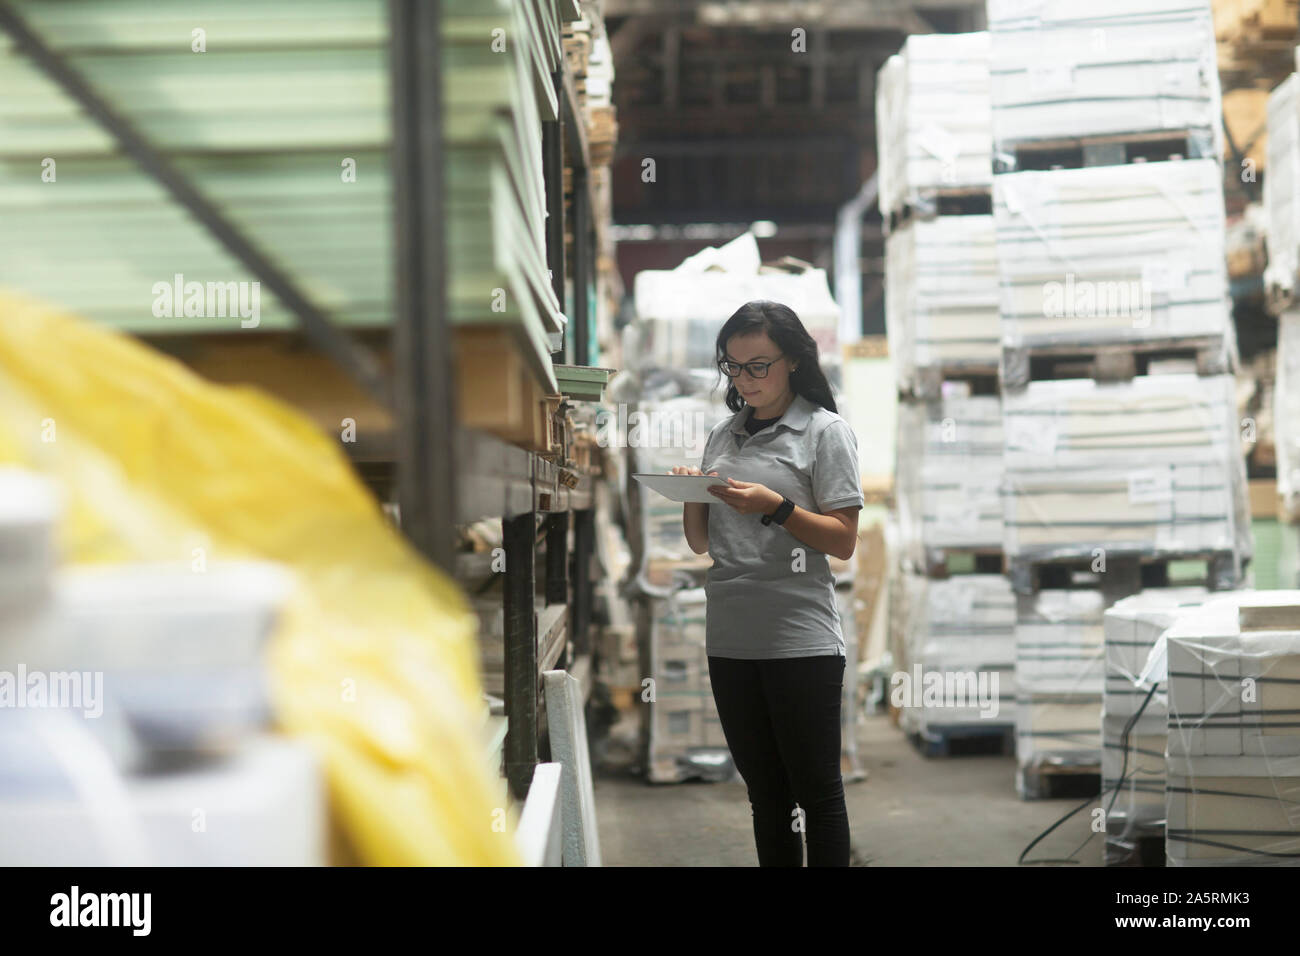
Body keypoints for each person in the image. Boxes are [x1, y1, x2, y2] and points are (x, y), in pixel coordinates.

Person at [671, 299, 863, 867]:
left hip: (798, 638)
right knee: (766, 797)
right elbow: (701, 543)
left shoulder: (825, 433)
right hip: (730, 638)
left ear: (794, 362)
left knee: (817, 795)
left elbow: (843, 540)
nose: (744, 379)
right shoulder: (723, 436)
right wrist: (691, 492)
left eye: (759, 365)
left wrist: (776, 507)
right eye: (733, 366)